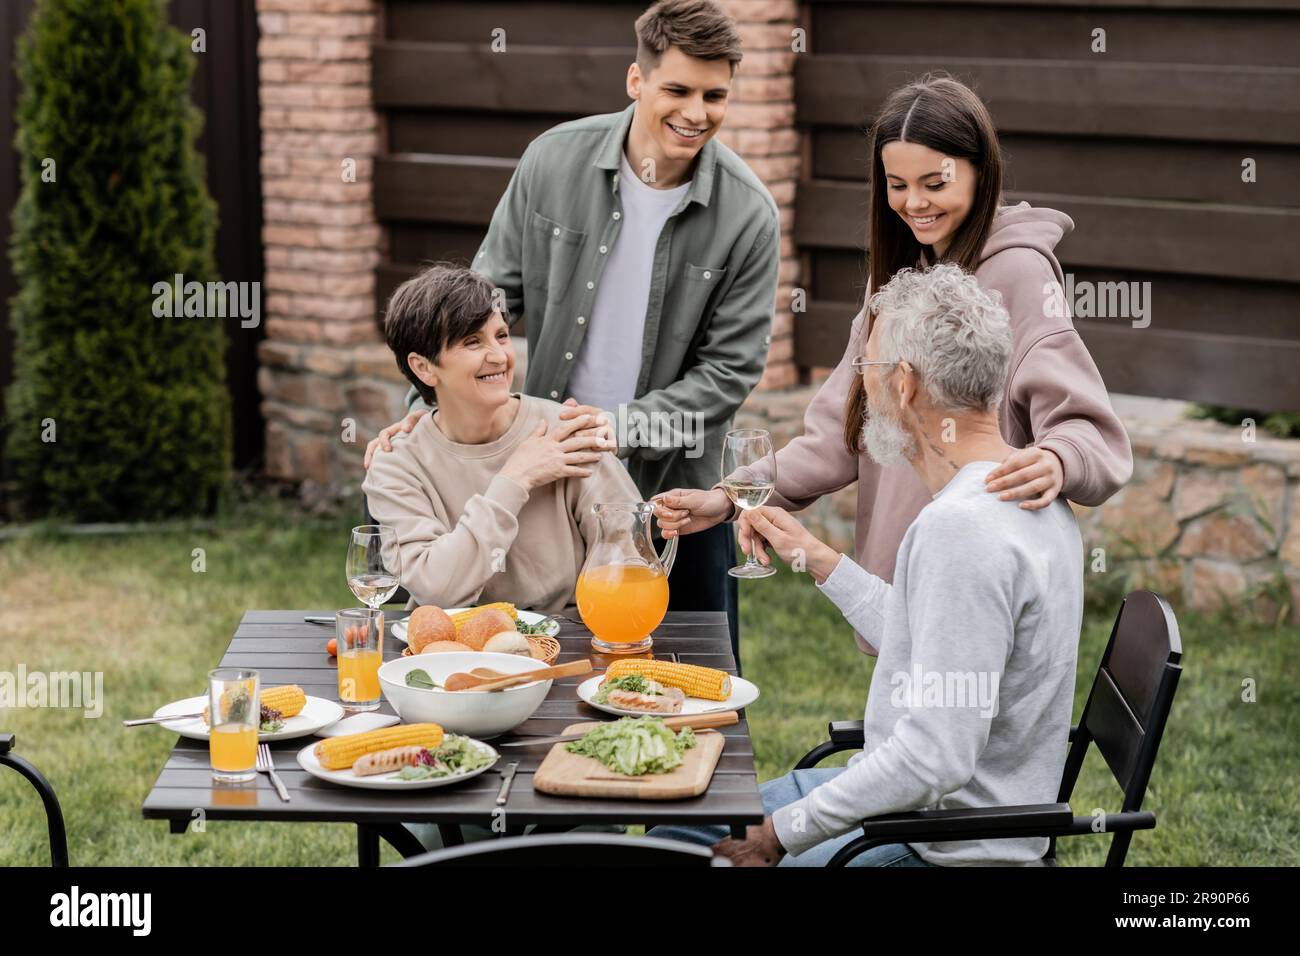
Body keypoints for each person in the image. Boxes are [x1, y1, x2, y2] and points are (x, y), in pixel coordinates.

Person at [654, 74, 1130, 654]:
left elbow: (1092, 431)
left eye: (935, 182)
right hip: (900, 597)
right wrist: (730, 496)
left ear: (983, 171)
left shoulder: (1021, 275)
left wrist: (1059, 458)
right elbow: (839, 433)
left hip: (973, 593)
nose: (914, 203)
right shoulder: (900, 277)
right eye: (897, 185)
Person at [363, 0, 781, 659]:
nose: (695, 112)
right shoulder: (552, 162)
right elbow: (481, 302)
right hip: (552, 473)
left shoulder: (749, 214)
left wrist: (619, 428)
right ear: (636, 80)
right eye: (676, 89)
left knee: (691, 674)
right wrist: (427, 407)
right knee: (526, 650)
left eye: (714, 95)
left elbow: (728, 372)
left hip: (673, 483)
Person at [651, 263, 1084, 865]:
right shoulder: (1026, 491)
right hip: (917, 816)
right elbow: (938, 643)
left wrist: (781, 834)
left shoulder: (962, 528)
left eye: (866, 368)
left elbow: (935, 757)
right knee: (681, 830)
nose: (862, 387)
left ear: (903, 384)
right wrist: (820, 558)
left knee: (681, 848)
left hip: (934, 847)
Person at [362, 264, 642, 614]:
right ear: (423, 367)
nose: (499, 356)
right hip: (449, 651)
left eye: (502, 336)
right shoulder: (395, 464)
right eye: (472, 342)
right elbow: (438, 590)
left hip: (571, 641)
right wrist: (514, 479)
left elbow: (629, 553)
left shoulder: (567, 429)